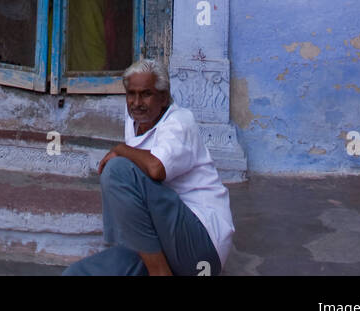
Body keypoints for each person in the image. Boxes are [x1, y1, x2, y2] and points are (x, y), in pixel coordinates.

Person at [62, 57, 234, 277]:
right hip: (161, 244)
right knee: (76, 273)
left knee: (118, 171)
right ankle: (149, 262)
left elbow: (156, 169)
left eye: (146, 94)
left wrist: (121, 149)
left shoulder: (179, 122)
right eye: (131, 94)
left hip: (201, 247)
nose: (136, 102)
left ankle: (159, 272)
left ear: (163, 98)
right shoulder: (135, 119)